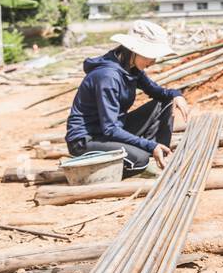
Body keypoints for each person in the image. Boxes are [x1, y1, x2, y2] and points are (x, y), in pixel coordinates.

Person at [65, 20, 191, 177]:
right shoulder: (108, 76)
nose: (153, 62)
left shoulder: (131, 69)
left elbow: (157, 92)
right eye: (151, 56)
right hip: (87, 140)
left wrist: (177, 95)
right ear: (134, 50)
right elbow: (110, 128)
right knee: (140, 159)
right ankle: (143, 159)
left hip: (111, 131)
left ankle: (160, 153)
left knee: (165, 103)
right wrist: (148, 145)